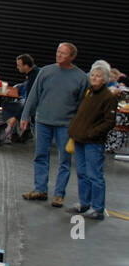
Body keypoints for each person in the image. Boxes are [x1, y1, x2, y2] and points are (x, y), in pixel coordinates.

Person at [20, 42, 88, 206]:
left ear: (72, 57)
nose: (58, 55)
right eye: (58, 52)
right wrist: (25, 116)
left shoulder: (81, 77)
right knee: (40, 155)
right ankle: (40, 189)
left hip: (65, 124)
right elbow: (34, 96)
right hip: (43, 121)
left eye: (63, 53)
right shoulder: (46, 71)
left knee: (64, 160)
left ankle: (59, 194)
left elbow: (82, 105)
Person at [66, 61, 117, 220]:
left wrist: (92, 133)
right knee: (82, 173)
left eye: (98, 76)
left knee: (94, 174)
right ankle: (84, 203)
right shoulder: (89, 92)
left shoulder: (108, 97)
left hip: (93, 142)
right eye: (93, 75)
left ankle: (97, 208)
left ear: (105, 79)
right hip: (80, 138)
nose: (94, 78)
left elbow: (109, 121)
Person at [1, 54, 37, 142]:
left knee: (8, 106)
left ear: (26, 66)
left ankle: (13, 132)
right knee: (13, 104)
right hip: (28, 100)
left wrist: (15, 117)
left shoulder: (34, 76)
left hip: (35, 104)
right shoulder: (31, 73)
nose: (17, 67)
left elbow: (29, 100)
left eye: (19, 65)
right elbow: (25, 85)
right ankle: (24, 131)